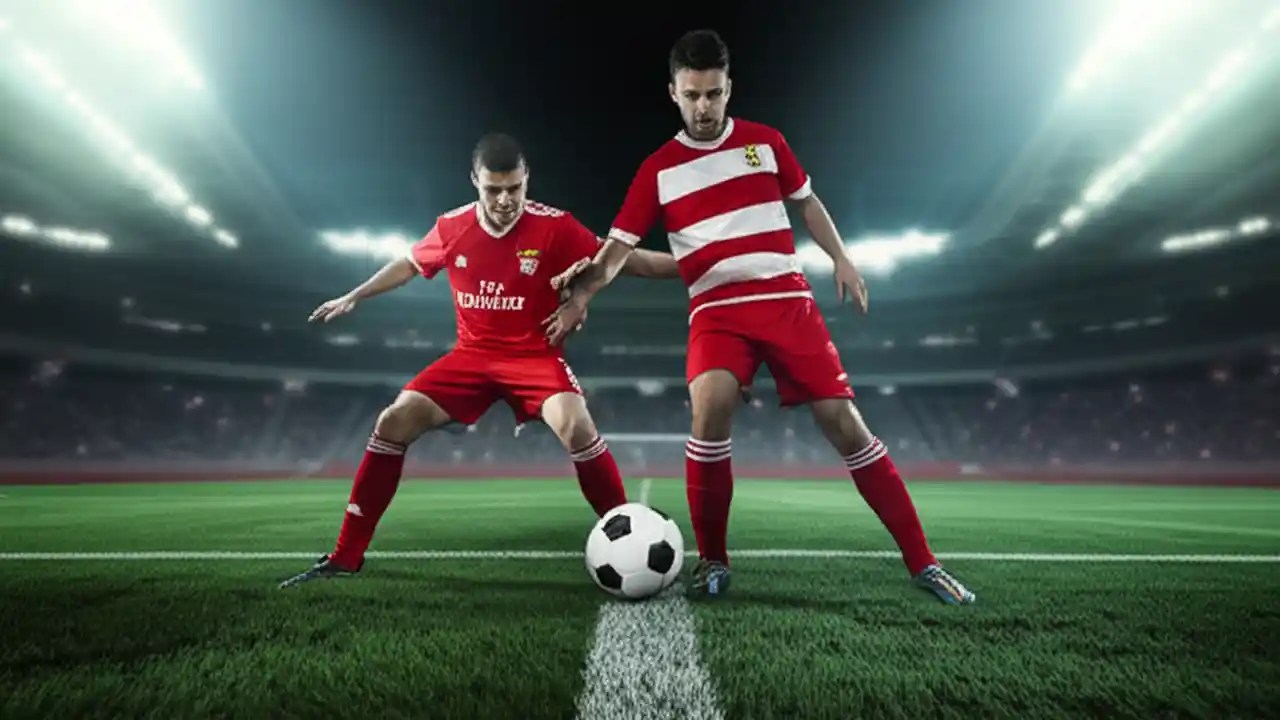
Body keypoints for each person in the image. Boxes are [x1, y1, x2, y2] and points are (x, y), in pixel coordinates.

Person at [545, 30, 975, 604]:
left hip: (787, 302)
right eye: (692, 95)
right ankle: (715, 561)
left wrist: (841, 258)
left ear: (729, 90)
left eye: (714, 94)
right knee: (710, 407)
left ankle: (923, 561)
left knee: (845, 423)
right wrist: (585, 291)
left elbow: (807, 203)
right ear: (673, 92)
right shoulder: (658, 171)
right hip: (717, 312)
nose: (704, 107)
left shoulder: (765, 143)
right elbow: (618, 251)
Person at [280, 132, 680, 588]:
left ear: (527, 179)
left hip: (534, 356)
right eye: (494, 190)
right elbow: (409, 264)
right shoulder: (452, 228)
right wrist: (355, 295)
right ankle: (346, 556)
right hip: (471, 357)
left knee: (576, 424)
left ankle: (626, 541)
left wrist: (696, 264)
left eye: (515, 188)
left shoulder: (556, 226)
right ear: (475, 181)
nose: (506, 200)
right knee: (393, 421)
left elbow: (626, 260)